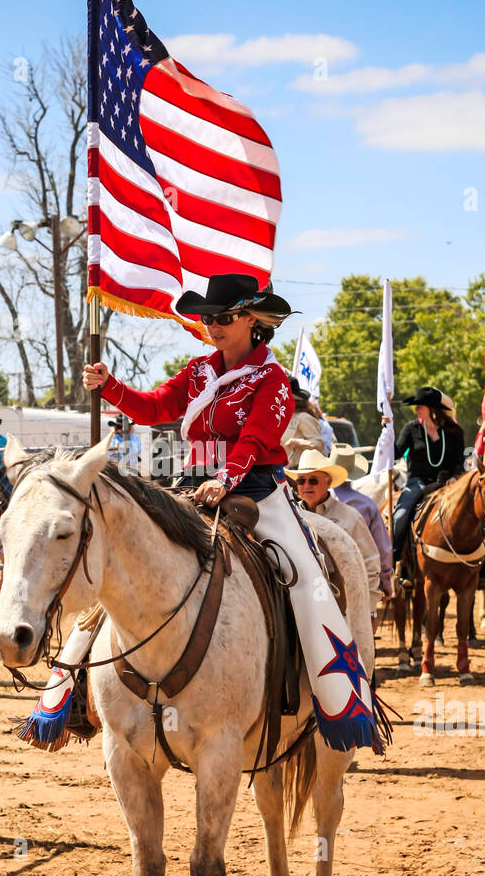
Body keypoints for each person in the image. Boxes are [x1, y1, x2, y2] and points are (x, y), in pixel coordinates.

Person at [80, 271, 384, 754]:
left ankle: (340, 697)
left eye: (222, 318)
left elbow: (258, 437)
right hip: (189, 487)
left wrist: (225, 479)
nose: (212, 327)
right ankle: (68, 694)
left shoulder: (274, 381)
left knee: (303, 574)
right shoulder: (198, 370)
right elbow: (155, 405)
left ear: (251, 320)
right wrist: (110, 385)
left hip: (257, 491)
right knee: (126, 558)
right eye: (206, 319)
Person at [285, 450, 382, 615]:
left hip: (345, 607)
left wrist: (370, 611)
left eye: (313, 480)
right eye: (301, 481)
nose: (306, 486)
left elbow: (370, 563)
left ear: (328, 482)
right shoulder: (289, 516)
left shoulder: (350, 517)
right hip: (303, 607)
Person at [392, 385, 466, 579]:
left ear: (433, 408)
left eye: (420, 406)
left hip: (448, 484)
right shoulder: (411, 429)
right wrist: (386, 434)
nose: (416, 409)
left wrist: (455, 477)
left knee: (473, 509)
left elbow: (459, 463)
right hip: (418, 482)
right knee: (400, 515)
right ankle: (397, 559)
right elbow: (395, 453)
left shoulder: (454, 432)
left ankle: (480, 564)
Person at [329, 444, 393, 598]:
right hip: (360, 577)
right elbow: (383, 548)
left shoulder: (318, 501)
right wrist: (385, 581)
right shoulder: (367, 505)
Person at [281, 377, 326, 466]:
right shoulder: (283, 418)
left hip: (300, 471)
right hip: (283, 471)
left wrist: (298, 442)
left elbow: (318, 444)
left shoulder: (303, 418)